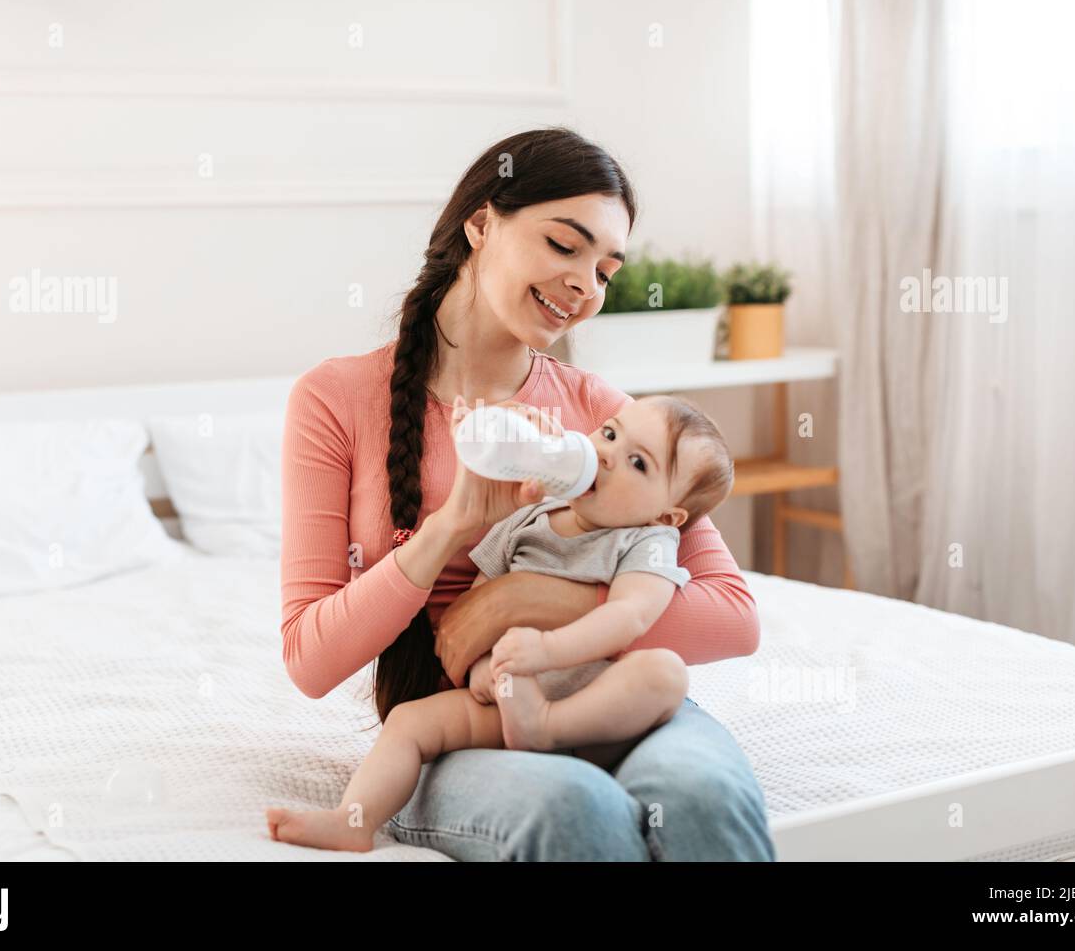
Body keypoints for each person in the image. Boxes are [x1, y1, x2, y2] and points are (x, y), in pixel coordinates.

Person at [275, 126, 775, 860]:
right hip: (465, 717)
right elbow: (309, 660)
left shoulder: (606, 415)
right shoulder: (336, 399)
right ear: (481, 223)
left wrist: (522, 604)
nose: (586, 286)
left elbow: (734, 618)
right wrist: (448, 531)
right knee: (577, 806)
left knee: (705, 794)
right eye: (565, 246)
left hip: (609, 698)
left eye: (606, 270)